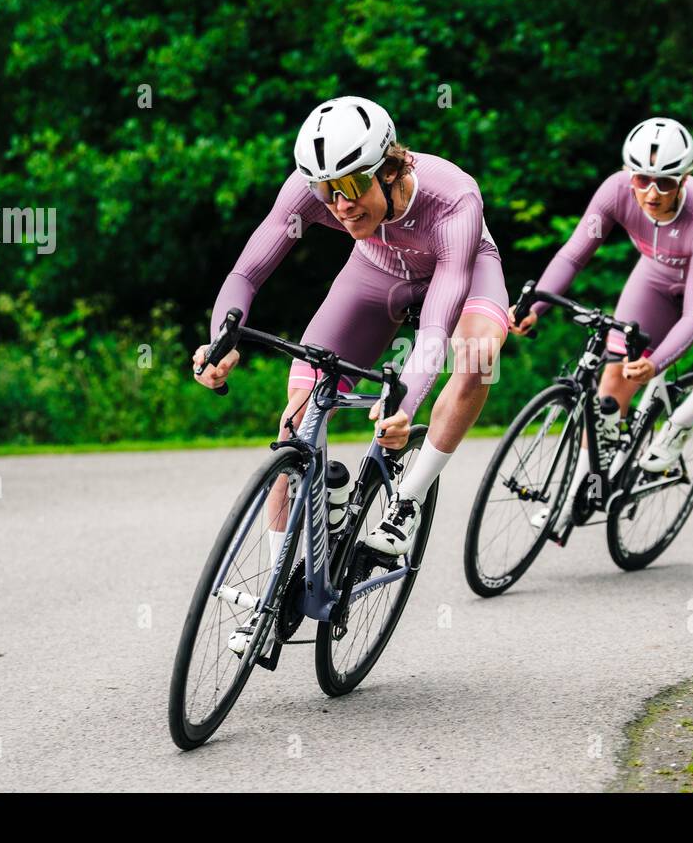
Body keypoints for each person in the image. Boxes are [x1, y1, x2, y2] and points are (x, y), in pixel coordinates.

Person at [194, 96, 509, 555]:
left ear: (391, 170)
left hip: (459, 267)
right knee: (297, 419)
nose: (339, 203)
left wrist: (404, 402)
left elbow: (436, 327)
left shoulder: (454, 199)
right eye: (325, 189)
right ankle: (278, 590)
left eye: (351, 184)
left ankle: (409, 498)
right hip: (376, 271)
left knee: (478, 355)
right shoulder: (311, 191)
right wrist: (219, 342)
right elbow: (246, 274)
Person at [513, 117, 693, 533]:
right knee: (612, 383)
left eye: (665, 182)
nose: (651, 192)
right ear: (629, 173)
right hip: (658, 273)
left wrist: (656, 362)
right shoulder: (616, 190)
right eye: (643, 178)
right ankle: (574, 493)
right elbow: (574, 255)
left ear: (685, 178)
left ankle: (678, 427)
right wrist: (536, 305)